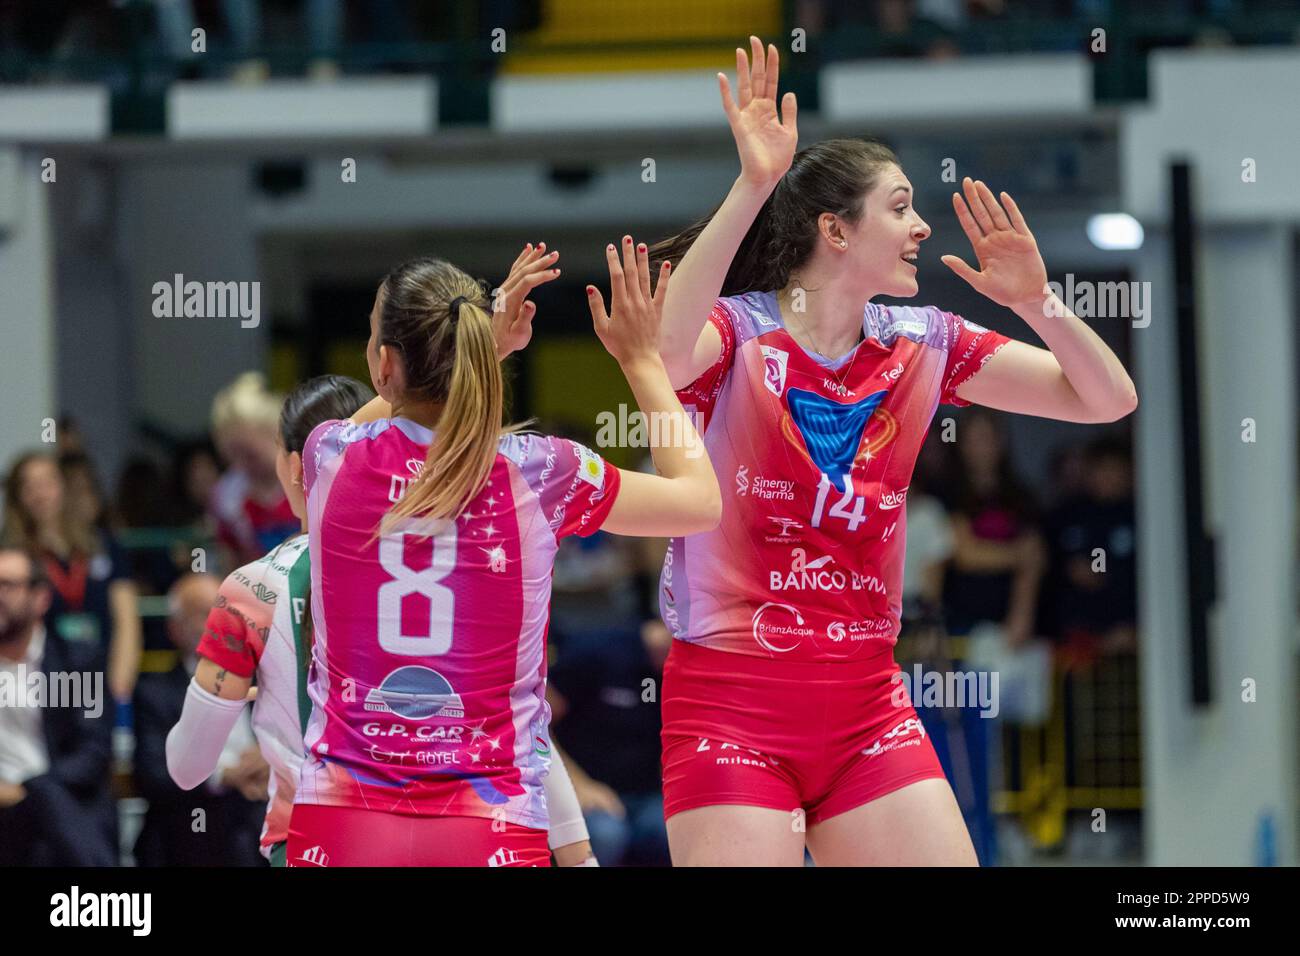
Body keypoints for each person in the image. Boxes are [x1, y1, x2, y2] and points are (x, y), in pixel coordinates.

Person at [645, 36, 1137, 866]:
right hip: (732, 696)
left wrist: (1041, 303)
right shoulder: (739, 331)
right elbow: (660, 353)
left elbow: (1107, 398)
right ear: (835, 230)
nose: (921, 226)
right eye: (901, 207)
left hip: (867, 701)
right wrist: (755, 182)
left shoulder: (924, 342)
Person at [284, 239, 722, 866]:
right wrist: (642, 362)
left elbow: (391, 409)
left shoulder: (329, 455)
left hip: (346, 822)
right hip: (488, 822)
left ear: (382, 365)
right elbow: (699, 501)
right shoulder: (540, 470)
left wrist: (481, 345)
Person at [134, 572, 265, 867]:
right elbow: (153, 774)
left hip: (257, 815)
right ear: (175, 629)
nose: (226, 621)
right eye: (208, 613)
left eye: (231, 611)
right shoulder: (153, 693)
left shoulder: (269, 679)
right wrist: (224, 777)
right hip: (189, 826)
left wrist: (271, 757)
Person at [0, 545, 117, 866]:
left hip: (60, 798)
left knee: (52, 810)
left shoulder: (79, 660)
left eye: (7, 586)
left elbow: (93, 753)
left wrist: (29, 788)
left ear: (41, 598)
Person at [2, 451, 143, 703]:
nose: (40, 494)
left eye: (47, 483)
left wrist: (120, 685)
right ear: (17, 496)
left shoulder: (102, 545)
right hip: (36, 684)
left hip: (102, 677)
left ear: (63, 488)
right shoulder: (11, 558)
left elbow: (126, 620)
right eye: (29, 486)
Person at [208, 372, 300, 572]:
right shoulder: (228, 494)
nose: (240, 465)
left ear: (278, 438)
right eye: (232, 457)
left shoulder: (308, 480)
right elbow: (226, 565)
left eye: (250, 455)